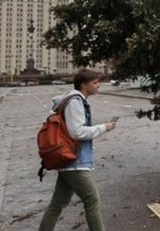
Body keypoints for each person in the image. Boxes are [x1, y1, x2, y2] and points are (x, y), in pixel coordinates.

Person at [39, 69, 117, 231]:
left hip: (68, 159)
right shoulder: (75, 101)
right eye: (95, 82)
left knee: (57, 204)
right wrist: (104, 127)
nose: (98, 85)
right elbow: (77, 132)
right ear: (83, 85)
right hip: (74, 160)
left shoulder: (73, 99)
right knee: (92, 200)